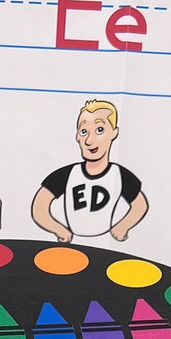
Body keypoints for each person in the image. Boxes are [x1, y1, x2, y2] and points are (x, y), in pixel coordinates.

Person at [32, 100, 149, 243]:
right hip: (71, 245)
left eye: (99, 130)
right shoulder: (68, 174)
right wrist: (58, 229)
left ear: (114, 133)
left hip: (105, 244)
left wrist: (123, 227)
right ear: (77, 137)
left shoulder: (119, 175)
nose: (89, 140)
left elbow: (140, 205)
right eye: (83, 131)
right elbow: (39, 206)